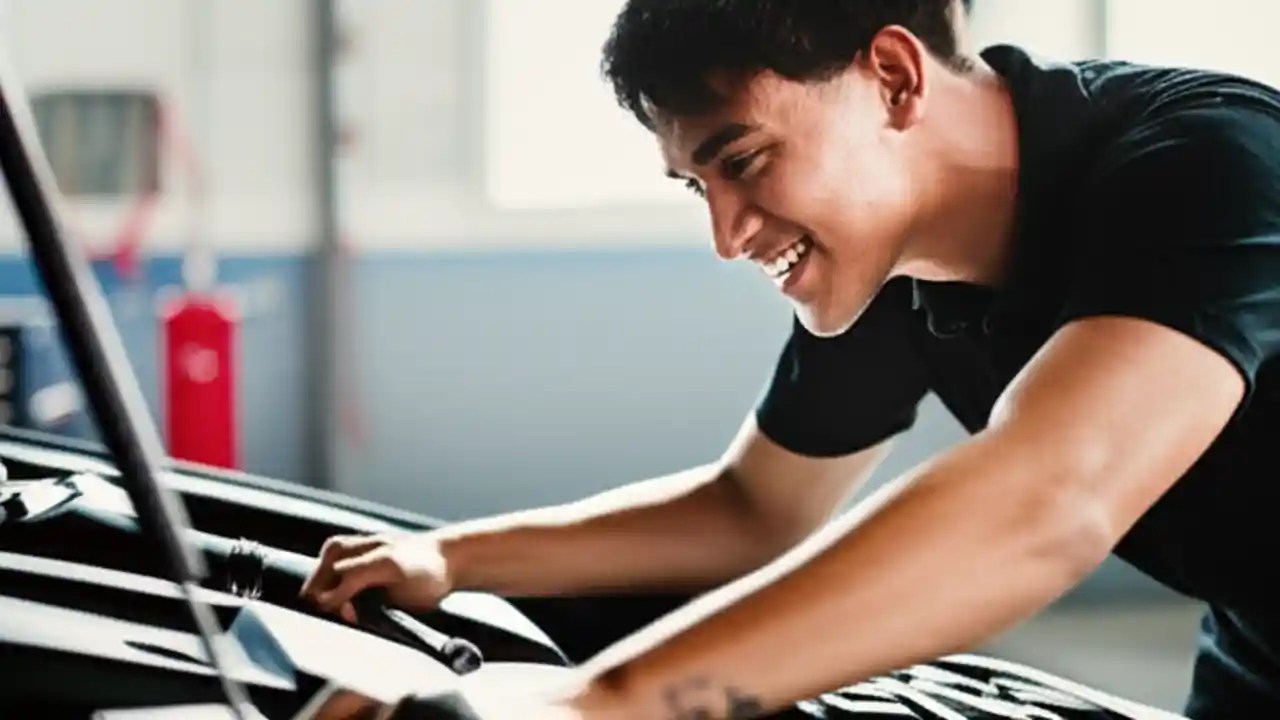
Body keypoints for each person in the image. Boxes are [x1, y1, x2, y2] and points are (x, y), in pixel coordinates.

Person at [301, 1, 1280, 717]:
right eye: (696, 187)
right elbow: (752, 509)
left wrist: (595, 707)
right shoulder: (897, 268)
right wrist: (454, 558)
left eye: (743, 161)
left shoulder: (1208, 163)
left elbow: (1046, 502)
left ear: (892, 77)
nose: (727, 237)